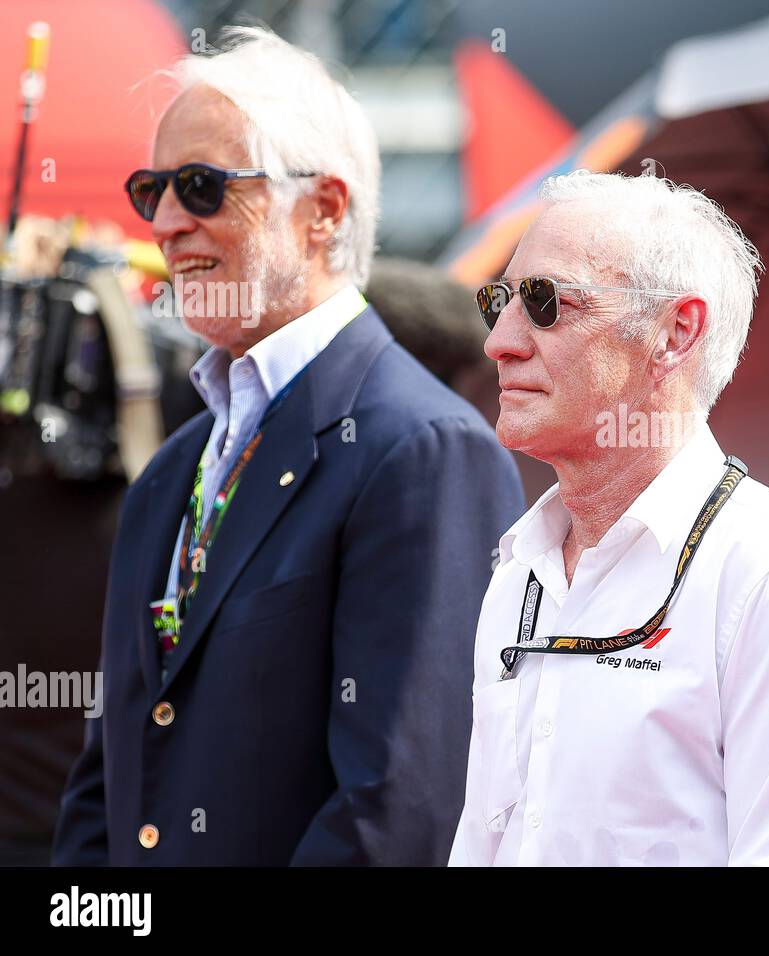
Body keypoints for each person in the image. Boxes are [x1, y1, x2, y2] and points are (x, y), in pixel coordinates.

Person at [52, 27, 524, 866]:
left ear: (324, 210)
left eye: (201, 187)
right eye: (150, 188)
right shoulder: (168, 471)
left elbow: (399, 814)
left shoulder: (424, 451)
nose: (164, 222)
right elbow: (107, 784)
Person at [449, 171, 769, 866]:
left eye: (546, 302)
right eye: (498, 301)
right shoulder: (521, 570)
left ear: (676, 331)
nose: (500, 342)